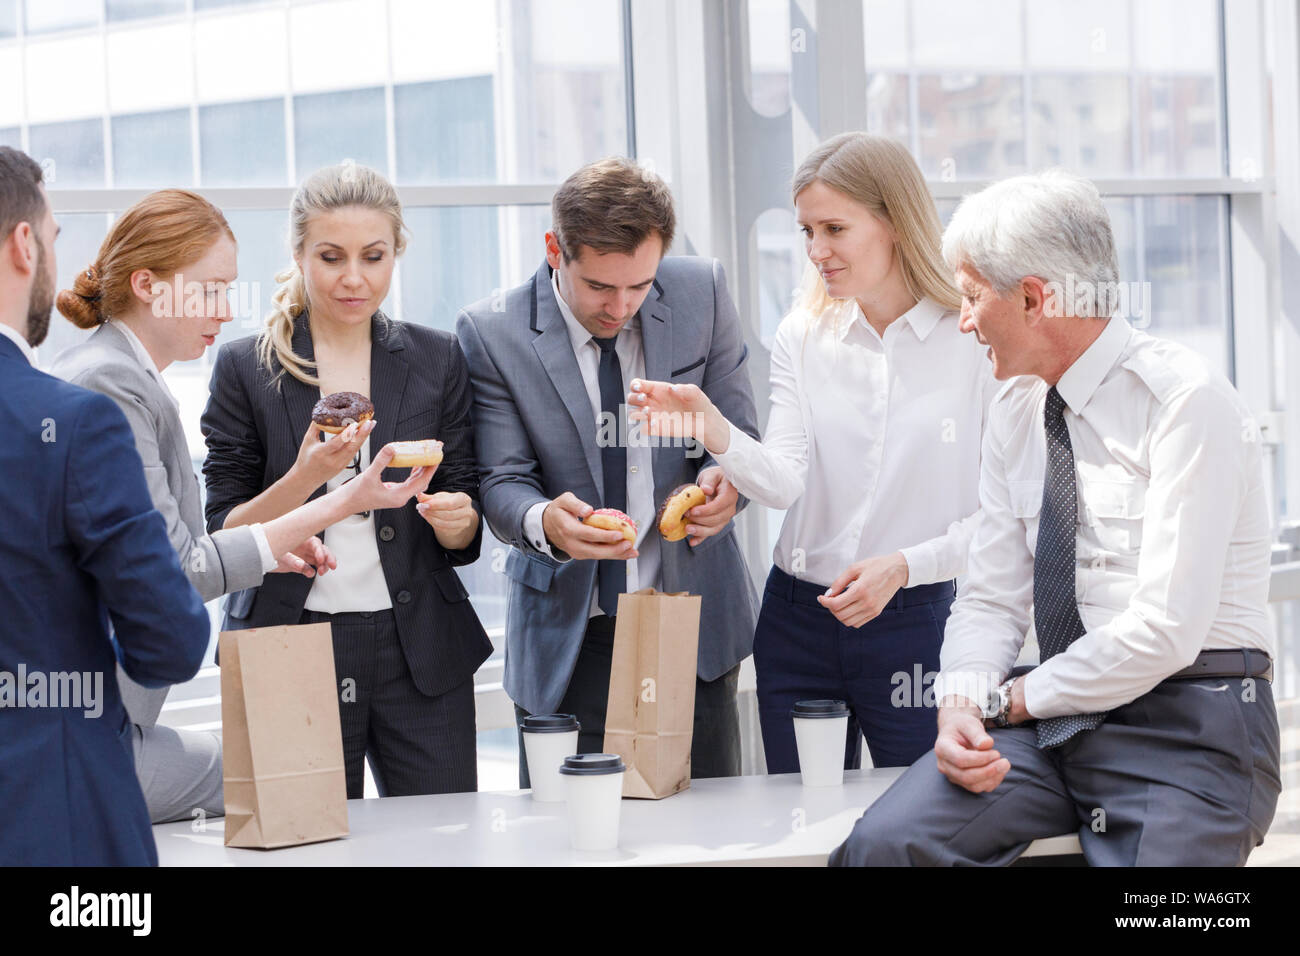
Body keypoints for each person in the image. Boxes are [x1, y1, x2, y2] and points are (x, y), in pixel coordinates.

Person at [830, 170, 1281, 866]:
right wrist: (959, 707)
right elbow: (989, 595)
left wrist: (1010, 702)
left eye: (974, 297)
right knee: (885, 847)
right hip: (1050, 720)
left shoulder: (1185, 403)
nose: (966, 320)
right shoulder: (1015, 410)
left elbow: (1166, 628)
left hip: (1189, 720)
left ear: (1036, 298)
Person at [49, 188, 432, 822]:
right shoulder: (111, 385)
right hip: (85, 730)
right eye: (211, 290)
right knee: (281, 770)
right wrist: (345, 502)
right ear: (147, 284)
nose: (227, 311)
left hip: (95, 719)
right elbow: (179, 569)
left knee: (279, 769)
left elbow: (184, 549)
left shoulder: (113, 372)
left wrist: (297, 500)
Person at [629, 133, 997, 771]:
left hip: (915, 621)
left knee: (914, 819)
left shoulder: (973, 340)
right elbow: (781, 481)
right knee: (799, 822)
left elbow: (1003, 520)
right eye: (806, 231)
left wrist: (905, 566)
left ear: (894, 222)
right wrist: (710, 425)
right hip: (797, 621)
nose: (816, 251)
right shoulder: (804, 332)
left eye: (834, 228)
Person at [456, 157, 760, 785]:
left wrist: (726, 485)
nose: (620, 307)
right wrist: (545, 522)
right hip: (572, 635)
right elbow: (501, 480)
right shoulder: (492, 331)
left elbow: (740, 438)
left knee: (707, 838)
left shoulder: (702, 291)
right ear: (554, 250)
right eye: (599, 286)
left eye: (639, 286)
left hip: (692, 624)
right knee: (572, 841)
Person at [201, 163, 491, 799]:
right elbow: (224, 531)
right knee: (305, 845)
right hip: (288, 641)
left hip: (419, 647)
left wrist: (458, 519)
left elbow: (467, 501)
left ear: (397, 255)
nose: (354, 278)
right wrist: (310, 478)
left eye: (374, 256)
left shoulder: (437, 357)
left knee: (439, 844)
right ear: (300, 254)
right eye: (331, 257)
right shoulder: (245, 368)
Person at [0, 147, 210, 865]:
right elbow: (172, 640)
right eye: (56, 238)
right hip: (52, 820)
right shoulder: (74, 420)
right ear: (24, 244)